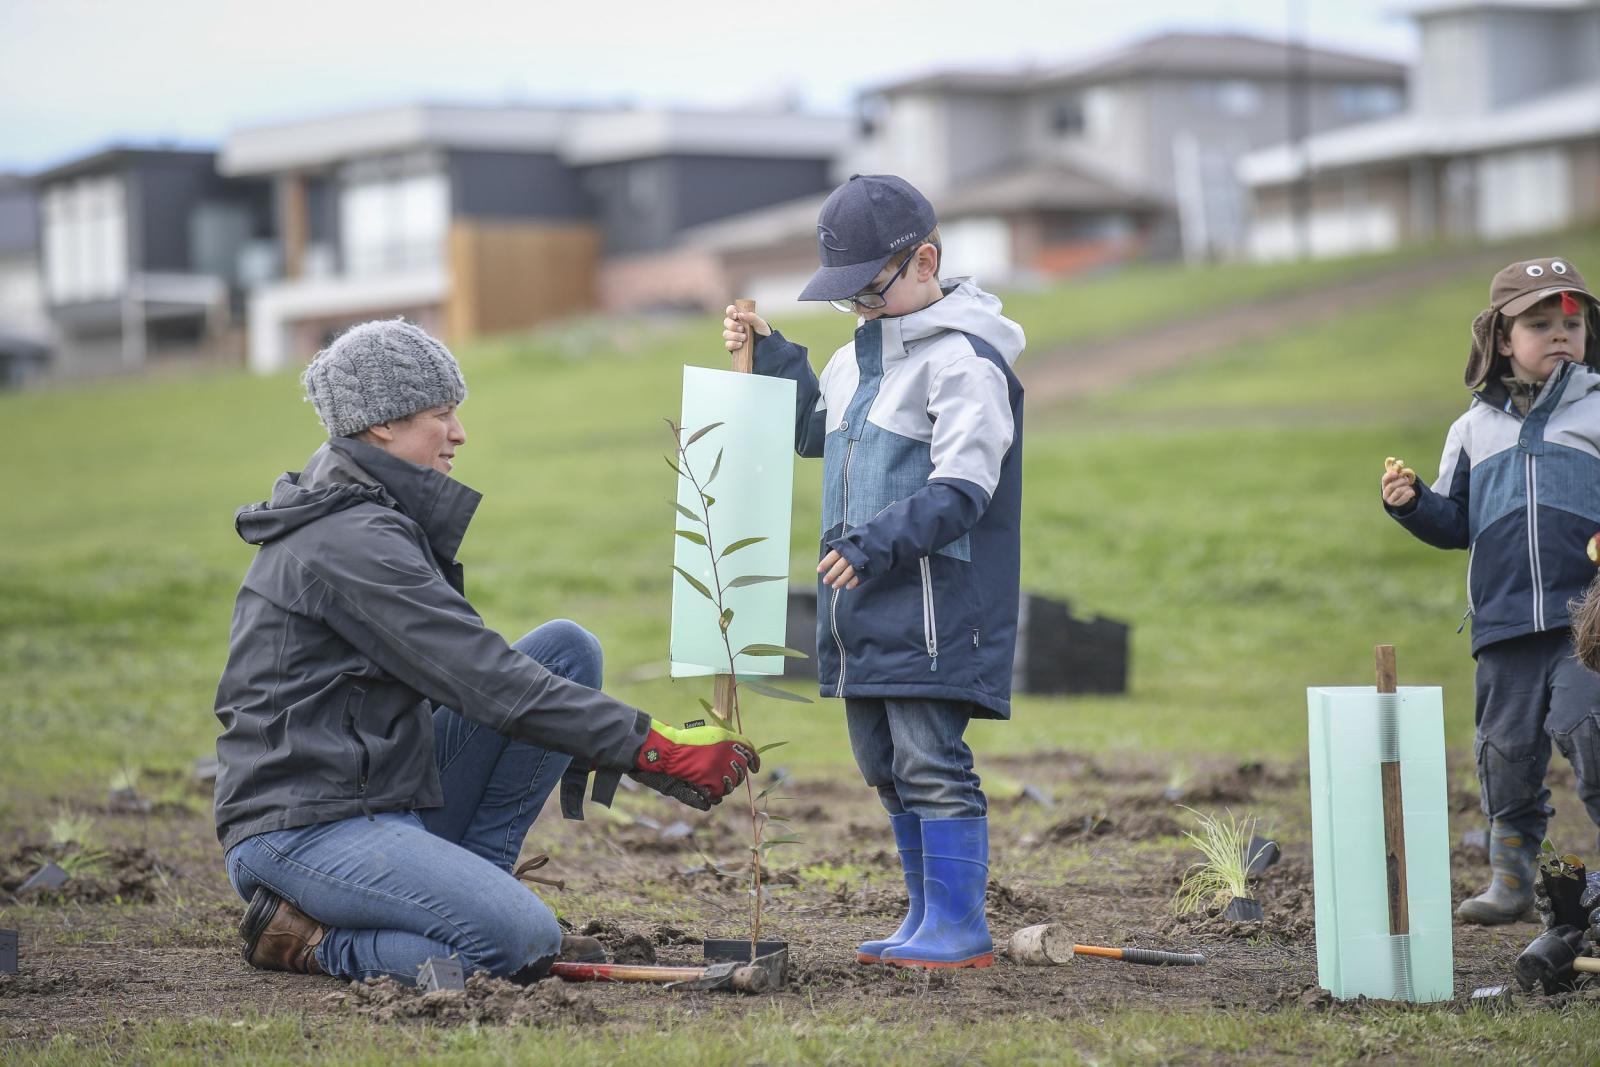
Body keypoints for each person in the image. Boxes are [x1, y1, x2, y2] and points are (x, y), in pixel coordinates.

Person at [213, 319, 758, 983]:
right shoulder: (349, 540)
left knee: (565, 651)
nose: (459, 433)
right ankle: (311, 939)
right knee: (518, 942)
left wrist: (630, 741)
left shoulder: (374, 515)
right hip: (302, 825)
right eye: (442, 414)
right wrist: (653, 748)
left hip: (382, 793)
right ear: (382, 424)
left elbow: (506, 679)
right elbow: (488, 681)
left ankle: (475, 886)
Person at [721, 174, 1025, 968]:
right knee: (884, 766)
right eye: (845, 297)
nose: (858, 309)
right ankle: (925, 915)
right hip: (862, 608)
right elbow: (821, 430)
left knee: (931, 761)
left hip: (934, 604)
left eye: (869, 291)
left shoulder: (966, 362)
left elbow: (964, 488)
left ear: (925, 261)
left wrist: (870, 543)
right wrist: (771, 355)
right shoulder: (855, 358)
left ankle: (962, 926)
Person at [1382, 257, 1600, 924]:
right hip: (1504, 625)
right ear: (1502, 338)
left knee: (1588, 726)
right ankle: (1511, 877)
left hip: (1588, 625)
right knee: (1505, 755)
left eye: (1572, 322)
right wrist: (1412, 503)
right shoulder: (1472, 428)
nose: (1560, 334)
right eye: (1540, 323)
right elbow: (1455, 523)